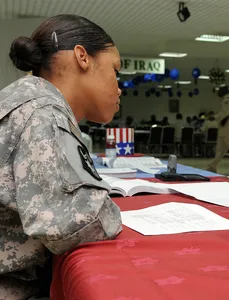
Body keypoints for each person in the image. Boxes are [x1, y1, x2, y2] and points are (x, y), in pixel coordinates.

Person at [0, 14, 123, 299]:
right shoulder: (44, 112)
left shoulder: (27, 98)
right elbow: (75, 225)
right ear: (83, 57)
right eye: (115, 70)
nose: (119, 86)